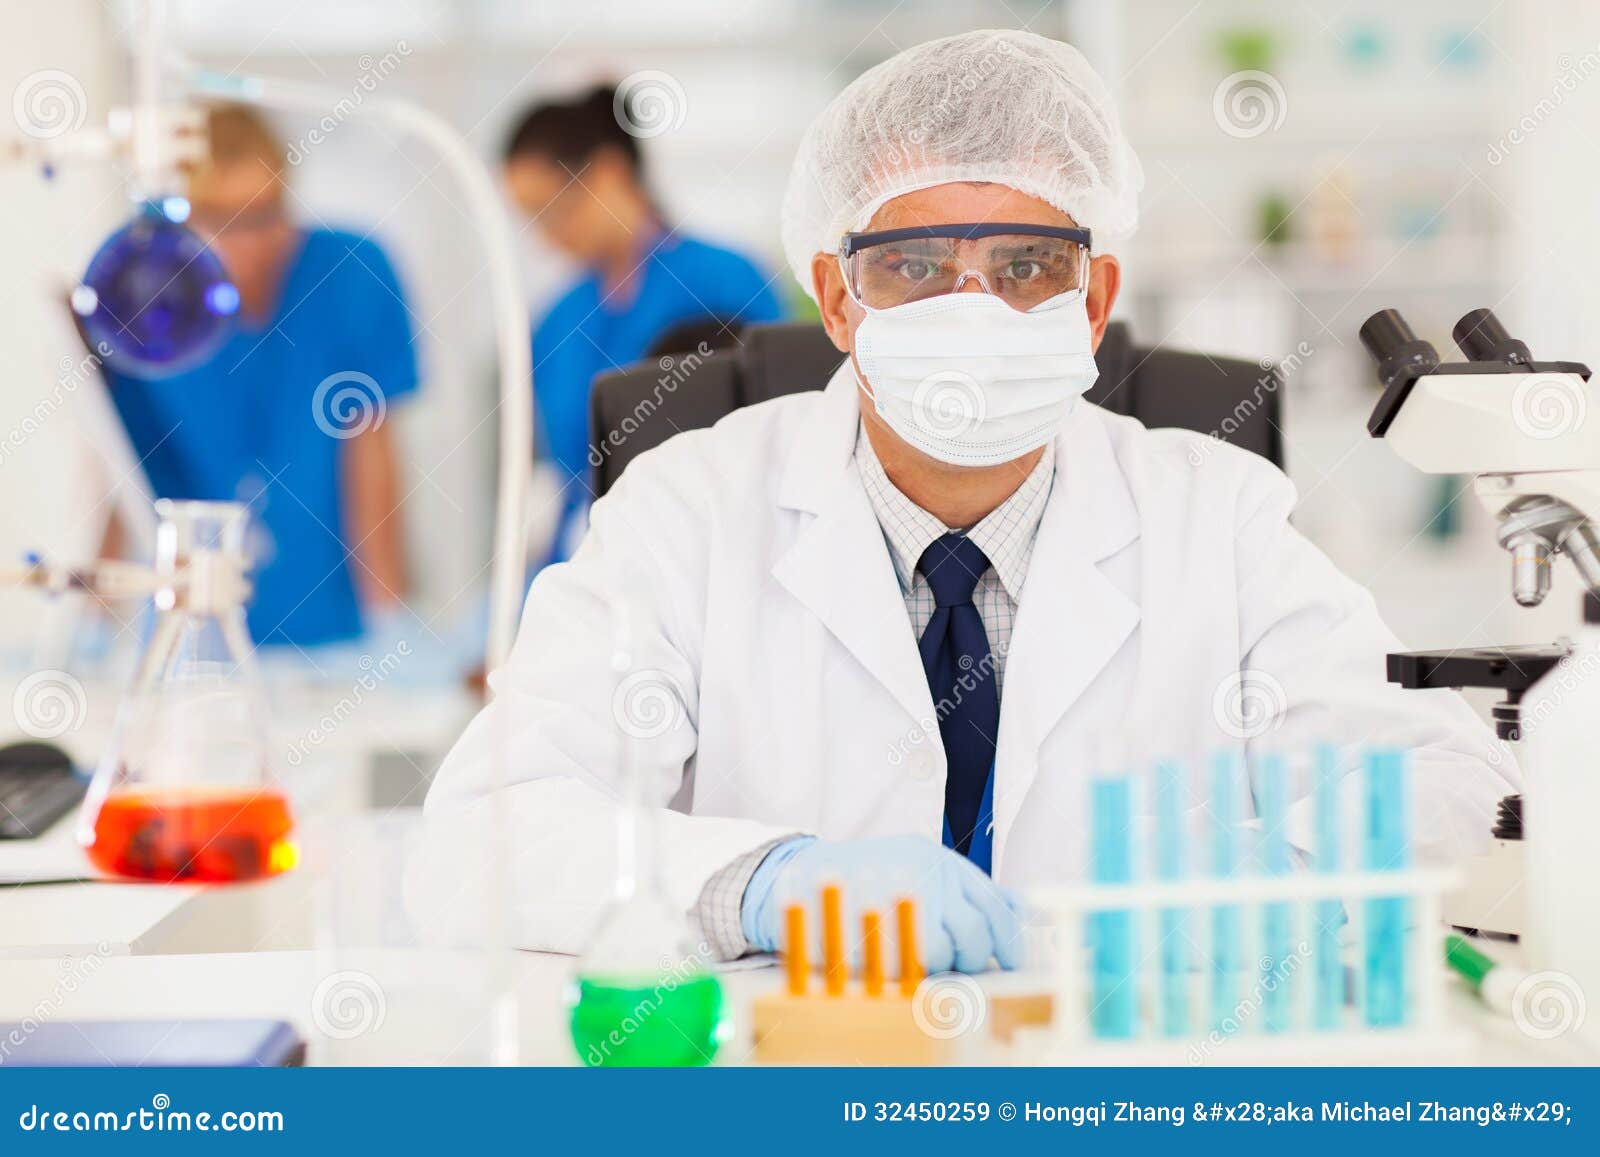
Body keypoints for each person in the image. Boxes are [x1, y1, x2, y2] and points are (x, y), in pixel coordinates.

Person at [425, 31, 1516, 971]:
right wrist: (762, 884)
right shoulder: (688, 510)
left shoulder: (1215, 515)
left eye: (1027, 267)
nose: (975, 312)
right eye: (911, 268)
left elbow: (1456, 784)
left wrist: (1250, 882)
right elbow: (487, 832)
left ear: (1094, 300)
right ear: (838, 301)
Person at [100, 104, 417, 650]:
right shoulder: (145, 285)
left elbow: (371, 457)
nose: (247, 245)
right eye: (220, 218)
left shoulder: (352, 273)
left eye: (265, 214)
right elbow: (116, 453)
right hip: (187, 627)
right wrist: (96, 614)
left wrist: (388, 621)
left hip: (328, 626)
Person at [503, 84, 783, 559]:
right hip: (586, 560)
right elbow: (565, 482)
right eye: (533, 221)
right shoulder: (557, 321)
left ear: (611, 172)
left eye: (557, 212)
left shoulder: (726, 281)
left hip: (711, 554)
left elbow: (774, 437)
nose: (548, 239)